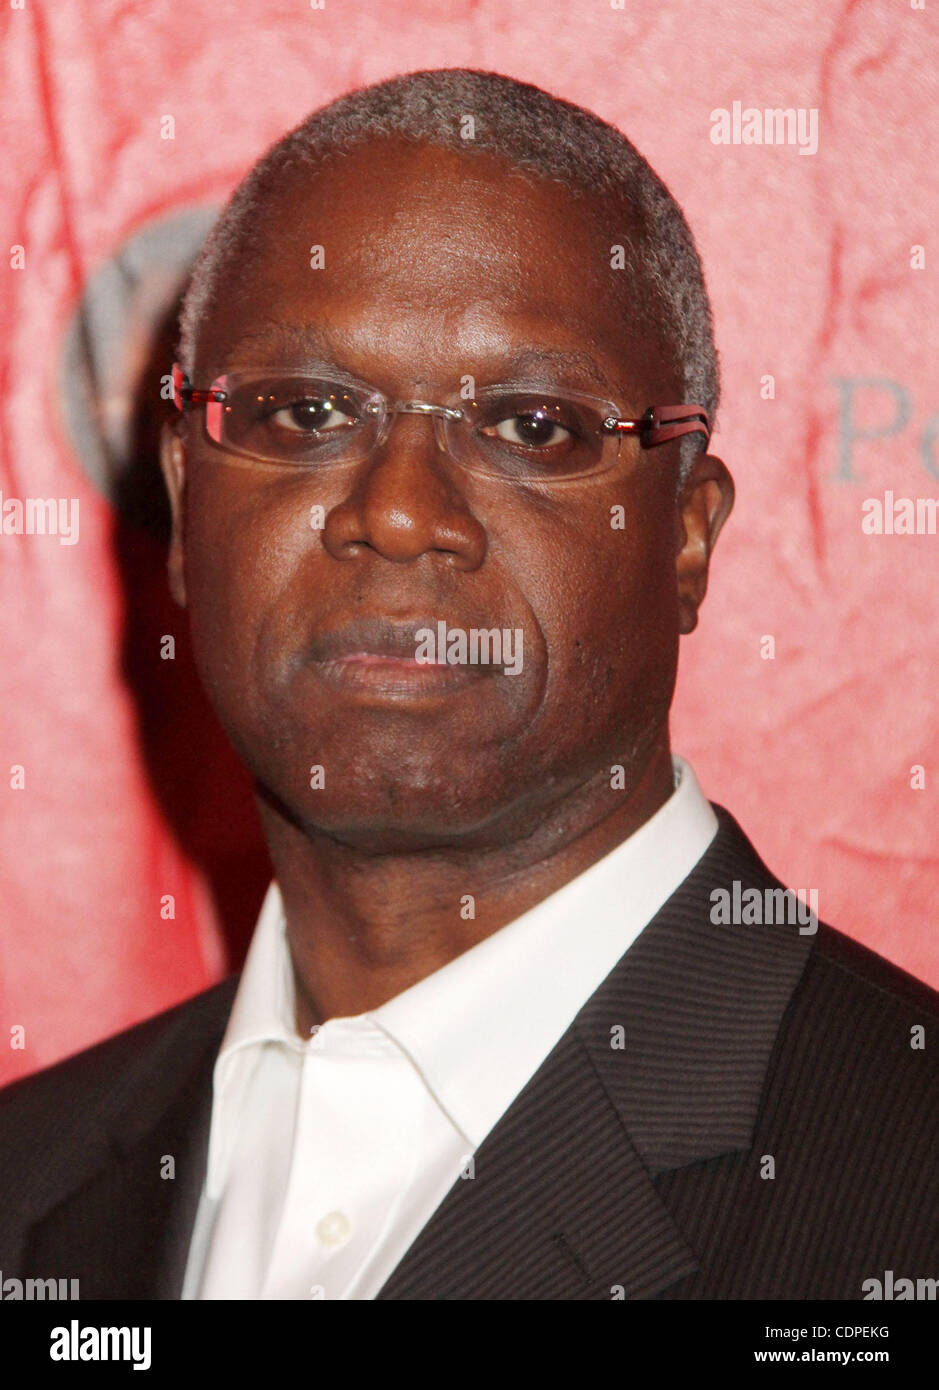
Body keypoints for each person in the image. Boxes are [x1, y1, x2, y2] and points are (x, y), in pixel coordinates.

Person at [1, 68, 936, 1302]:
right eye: (303, 412)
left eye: (532, 426)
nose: (396, 513)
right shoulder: (28, 1183)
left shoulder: (901, 1190)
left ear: (687, 542)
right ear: (183, 505)